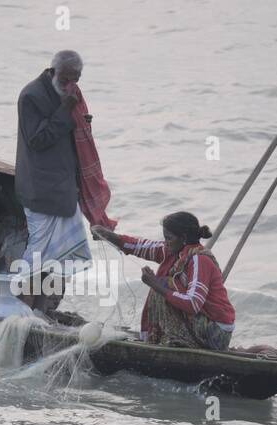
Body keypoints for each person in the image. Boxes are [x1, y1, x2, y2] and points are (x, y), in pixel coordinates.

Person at [14, 50, 93, 312]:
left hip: (65, 190)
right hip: (41, 190)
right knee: (38, 255)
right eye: (66, 77)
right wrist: (66, 110)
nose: (71, 84)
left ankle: (44, 311)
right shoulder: (31, 96)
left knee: (65, 253)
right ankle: (22, 312)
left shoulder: (71, 94)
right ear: (52, 71)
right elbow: (37, 140)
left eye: (76, 79)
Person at [91, 212, 236, 350]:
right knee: (163, 285)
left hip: (216, 333)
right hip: (204, 324)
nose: (165, 243)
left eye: (169, 238)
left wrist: (155, 284)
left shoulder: (199, 259)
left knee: (163, 286)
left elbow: (193, 304)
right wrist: (108, 236)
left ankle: (173, 341)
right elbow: (140, 246)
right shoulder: (174, 250)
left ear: (183, 238)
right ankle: (165, 338)